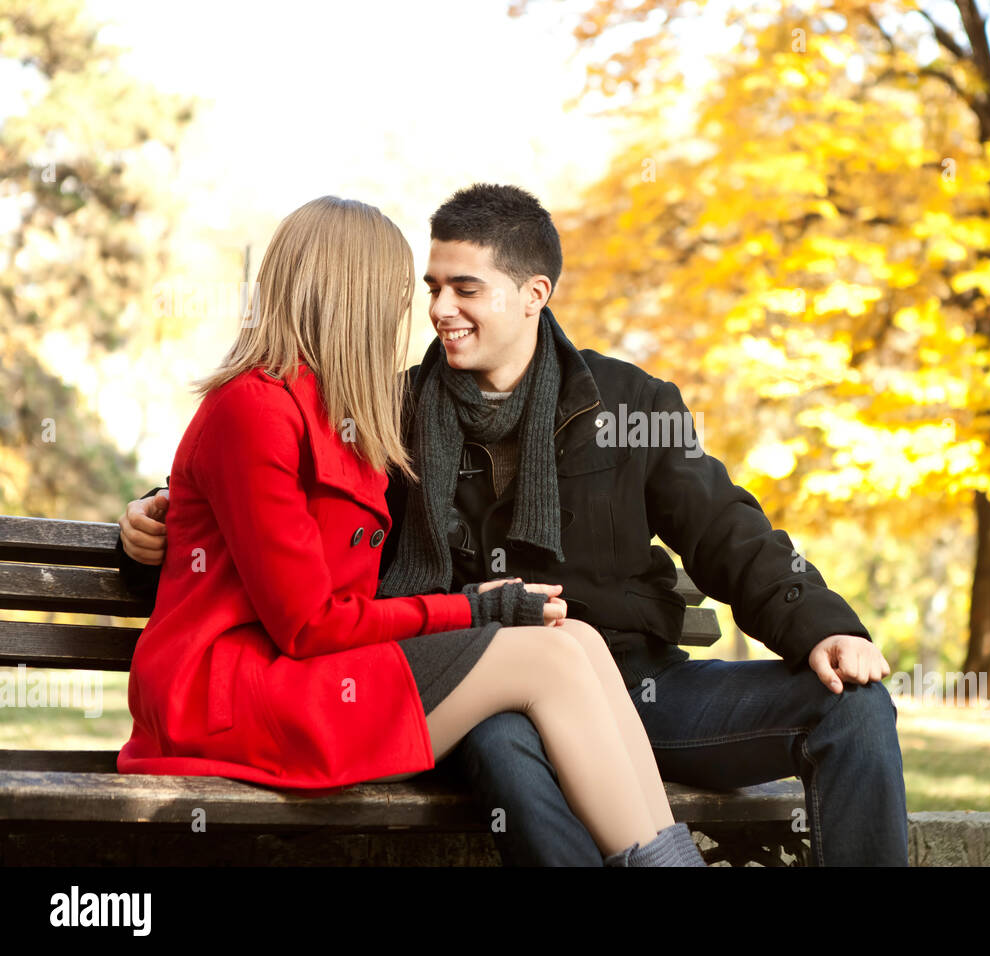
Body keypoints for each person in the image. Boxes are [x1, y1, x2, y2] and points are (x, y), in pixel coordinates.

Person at [119, 183, 908, 867]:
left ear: (534, 294)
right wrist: (154, 514)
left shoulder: (628, 405)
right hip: (486, 694)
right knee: (502, 744)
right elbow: (259, 494)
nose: (436, 310)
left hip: (641, 684)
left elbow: (731, 534)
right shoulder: (383, 413)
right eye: (430, 288)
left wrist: (821, 627)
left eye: (464, 288)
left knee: (855, 704)